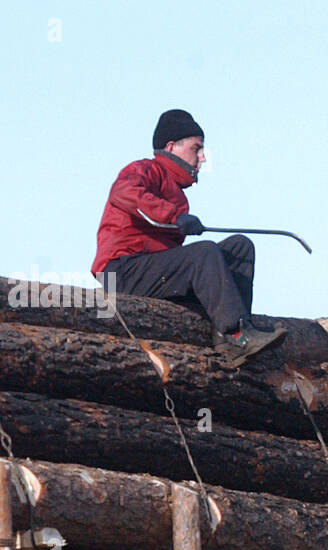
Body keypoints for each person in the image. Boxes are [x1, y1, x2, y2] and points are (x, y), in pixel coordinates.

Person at [91, 109, 285, 366]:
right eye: (197, 148)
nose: (202, 157)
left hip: (153, 276)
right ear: (171, 147)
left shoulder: (178, 196)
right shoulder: (143, 169)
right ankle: (236, 335)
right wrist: (174, 216)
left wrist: (178, 217)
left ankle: (234, 333)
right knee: (203, 252)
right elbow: (123, 193)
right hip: (121, 271)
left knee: (240, 247)